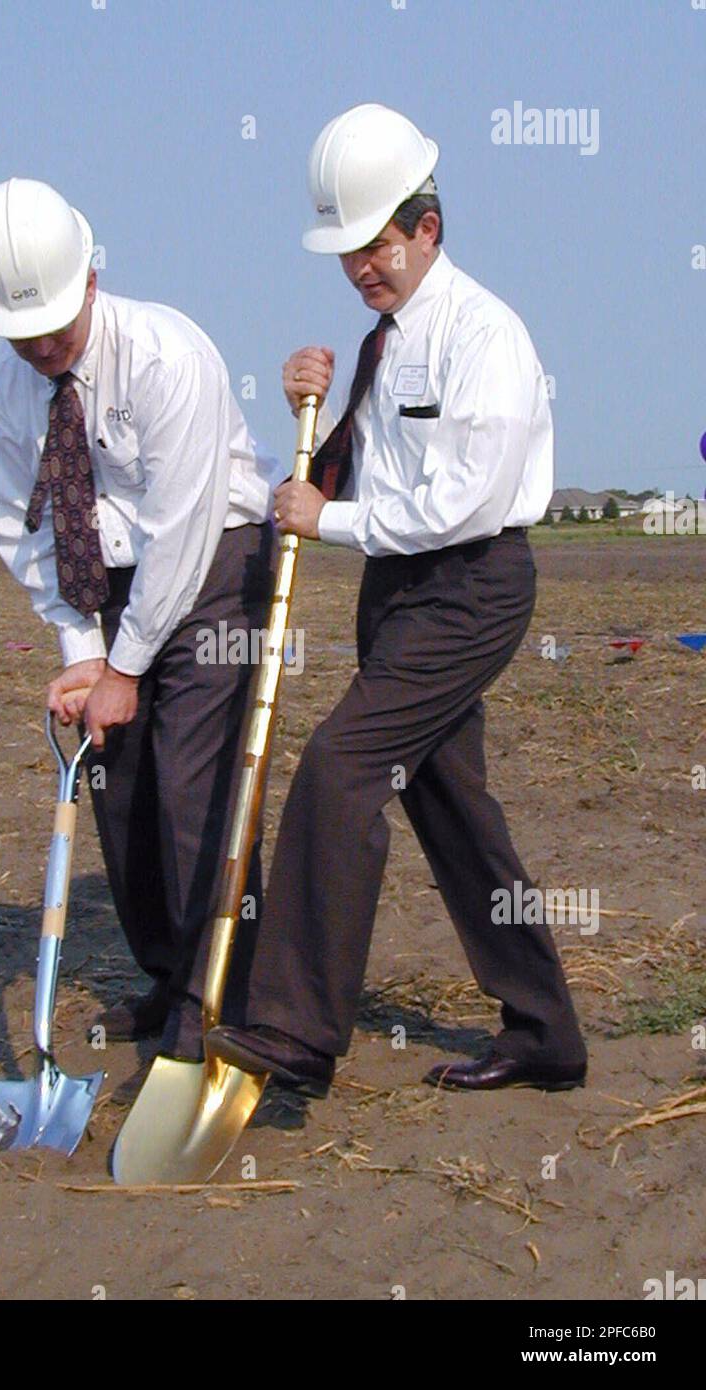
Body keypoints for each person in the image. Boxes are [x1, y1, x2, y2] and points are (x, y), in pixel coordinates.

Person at [208, 104, 587, 1096]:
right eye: (348, 254)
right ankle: (544, 1030)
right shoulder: (384, 344)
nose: (363, 269)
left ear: (428, 227)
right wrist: (311, 410)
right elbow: (346, 470)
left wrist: (319, 521)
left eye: (377, 247)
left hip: (471, 589)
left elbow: (460, 503)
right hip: (398, 593)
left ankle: (294, 1032)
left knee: (341, 764)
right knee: (453, 803)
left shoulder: (485, 334)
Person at [0, 177, 281, 1061]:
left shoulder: (165, 356)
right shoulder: (1, 394)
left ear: (92, 277)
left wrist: (128, 667)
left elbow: (181, 526)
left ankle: (225, 998)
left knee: (192, 787)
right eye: (19, 334)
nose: (39, 347)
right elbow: (20, 529)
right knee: (120, 787)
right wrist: (83, 648)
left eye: (55, 329)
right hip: (103, 584)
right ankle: (168, 975)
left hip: (214, 564)